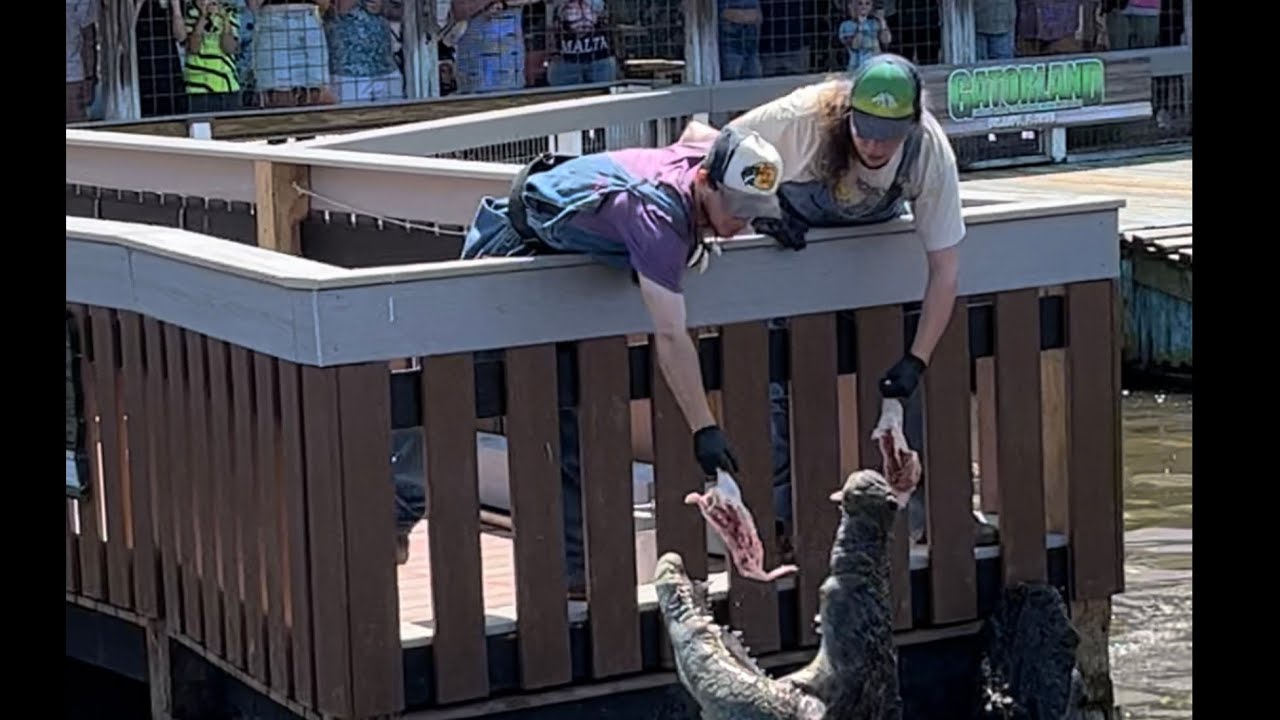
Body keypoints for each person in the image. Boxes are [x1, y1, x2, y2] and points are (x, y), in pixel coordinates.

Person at [458, 126, 789, 596]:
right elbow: (672, 337)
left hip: (563, 268)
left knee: (565, 421)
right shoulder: (656, 219)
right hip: (510, 250)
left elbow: (699, 130)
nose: (743, 224)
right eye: (737, 210)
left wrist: (776, 206)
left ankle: (574, 577)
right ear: (704, 184)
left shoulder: (708, 155)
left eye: (754, 212)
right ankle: (402, 509)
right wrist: (704, 429)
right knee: (453, 398)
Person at [698, 53, 988, 544]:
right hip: (789, 270)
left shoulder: (928, 153)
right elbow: (708, 149)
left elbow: (945, 270)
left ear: (914, 124)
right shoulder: (801, 120)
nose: (874, 146)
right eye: (864, 130)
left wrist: (916, 360)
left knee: (910, 394)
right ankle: (783, 526)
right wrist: (758, 211)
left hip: (871, 277)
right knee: (778, 390)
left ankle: (932, 522)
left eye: (888, 135)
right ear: (847, 113)